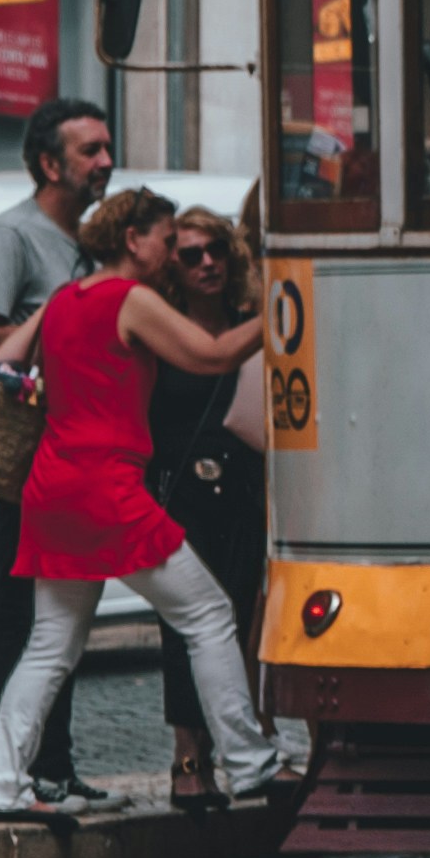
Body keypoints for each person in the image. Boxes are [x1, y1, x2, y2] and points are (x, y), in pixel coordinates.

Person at [0, 194, 278, 822]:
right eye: (167, 241)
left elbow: (5, 360)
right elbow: (213, 355)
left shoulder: (66, 298)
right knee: (208, 613)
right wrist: (286, 312)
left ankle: (0, 787)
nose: (173, 254)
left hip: (53, 485)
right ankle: (251, 765)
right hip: (106, 487)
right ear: (132, 239)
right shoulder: (129, 300)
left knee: (51, 646)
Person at [0, 94, 112, 804]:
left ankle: (55, 767)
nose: (105, 162)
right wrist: (53, 320)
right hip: (29, 463)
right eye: (91, 152)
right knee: (24, 620)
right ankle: (22, 770)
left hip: (79, 456)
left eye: (106, 149)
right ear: (49, 164)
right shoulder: (14, 236)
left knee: (63, 622)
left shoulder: (88, 239)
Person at [147, 208, 270, 812]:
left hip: (244, 493)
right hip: (182, 495)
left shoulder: (253, 324)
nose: (207, 264)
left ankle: (235, 749)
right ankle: (188, 761)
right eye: (191, 255)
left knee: (238, 620)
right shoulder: (162, 331)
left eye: (216, 250)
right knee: (185, 627)